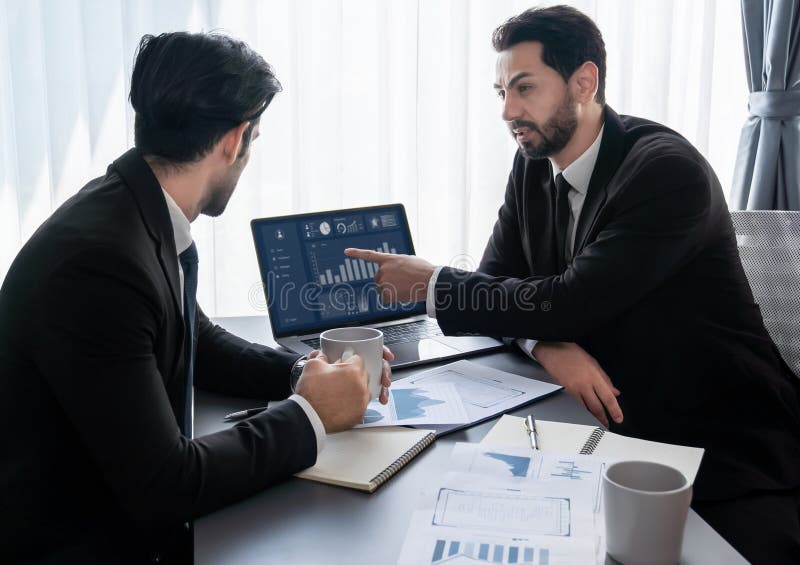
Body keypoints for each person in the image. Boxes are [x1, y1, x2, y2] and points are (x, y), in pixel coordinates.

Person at [346, 5, 800, 563]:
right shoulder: (533, 163)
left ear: (584, 82)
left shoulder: (664, 172)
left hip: (719, 444)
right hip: (601, 421)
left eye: (524, 88)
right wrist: (548, 344)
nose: (509, 110)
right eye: (501, 92)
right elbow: (500, 283)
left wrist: (434, 281)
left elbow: (569, 300)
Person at [0, 32, 392, 564]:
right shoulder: (100, 264)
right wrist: (310, 413)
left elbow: (196, 339)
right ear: (236, 140)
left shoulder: (133, 211)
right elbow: (168, 485)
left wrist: (303, 373)